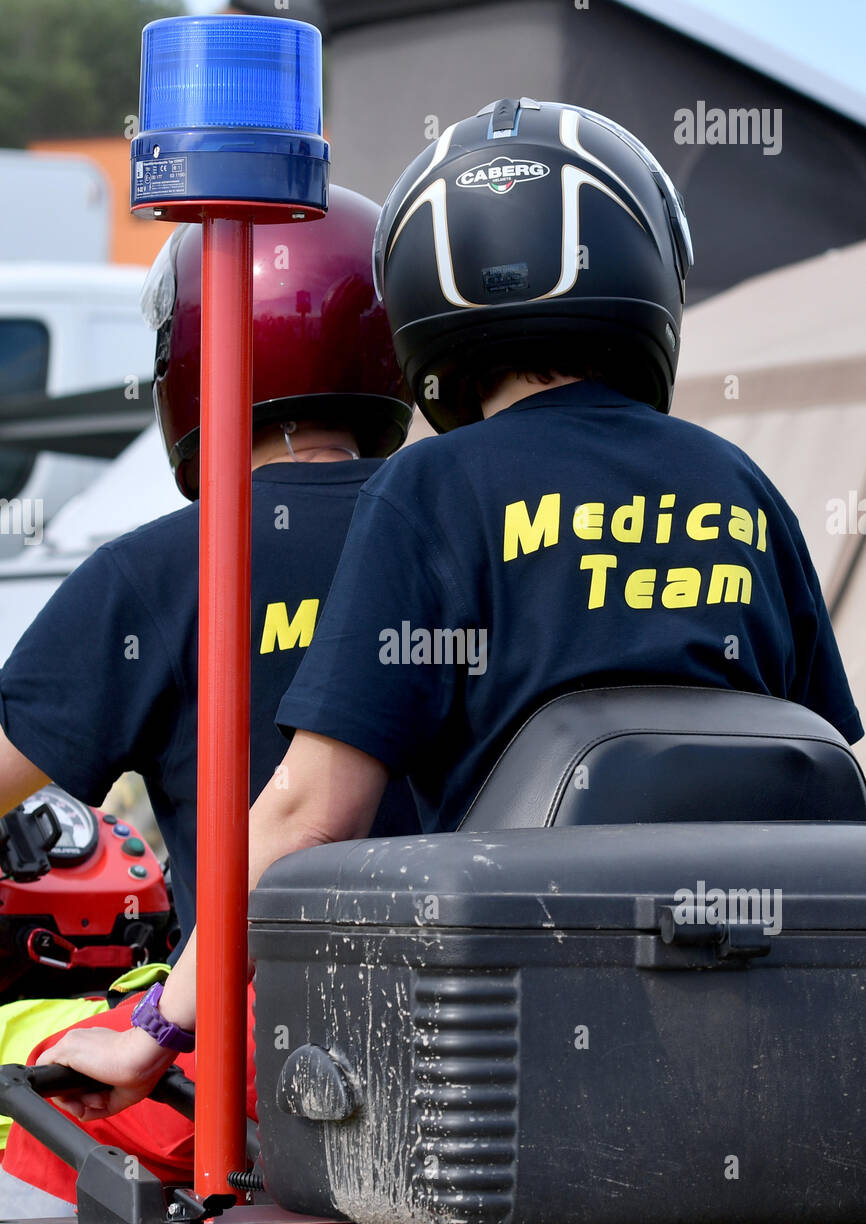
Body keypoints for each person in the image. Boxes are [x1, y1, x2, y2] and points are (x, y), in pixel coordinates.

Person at [15, 99, 863, 1137]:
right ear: (645, 270)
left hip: (499, 1072)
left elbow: (307, 811)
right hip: (747, 1072)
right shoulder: (741, 487)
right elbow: (821, 780)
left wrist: (154, 1022)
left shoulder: (433, 490)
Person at [0, 185, 418, 1205]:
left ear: (186, 356)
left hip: (259, 1054)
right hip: (491, 1035)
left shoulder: (158, 568)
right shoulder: (460, 527)